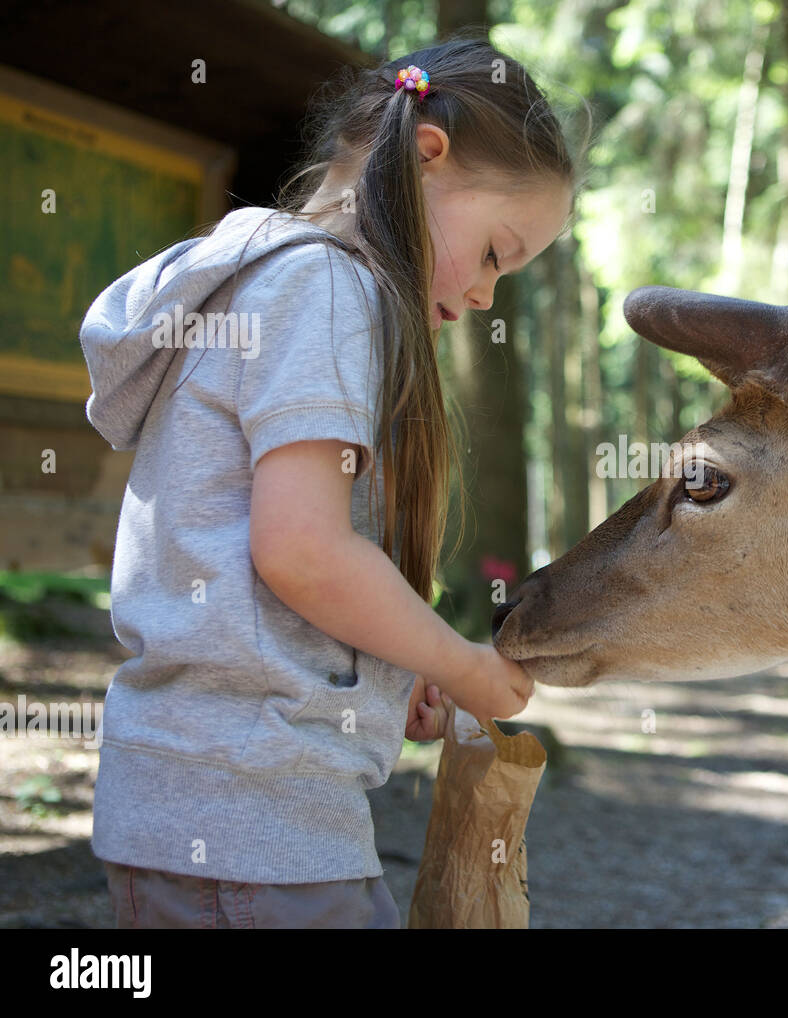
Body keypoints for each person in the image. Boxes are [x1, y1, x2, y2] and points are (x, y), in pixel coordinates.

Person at [78, 35, 586, 928]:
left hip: (224, 805)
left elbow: (279, 569)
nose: (486, 299)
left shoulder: (276, 278)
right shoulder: (324, 290)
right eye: (499, 254)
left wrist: (390, 664)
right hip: (249, 818)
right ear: (428, 156)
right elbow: (302, 551)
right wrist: (462, 663)